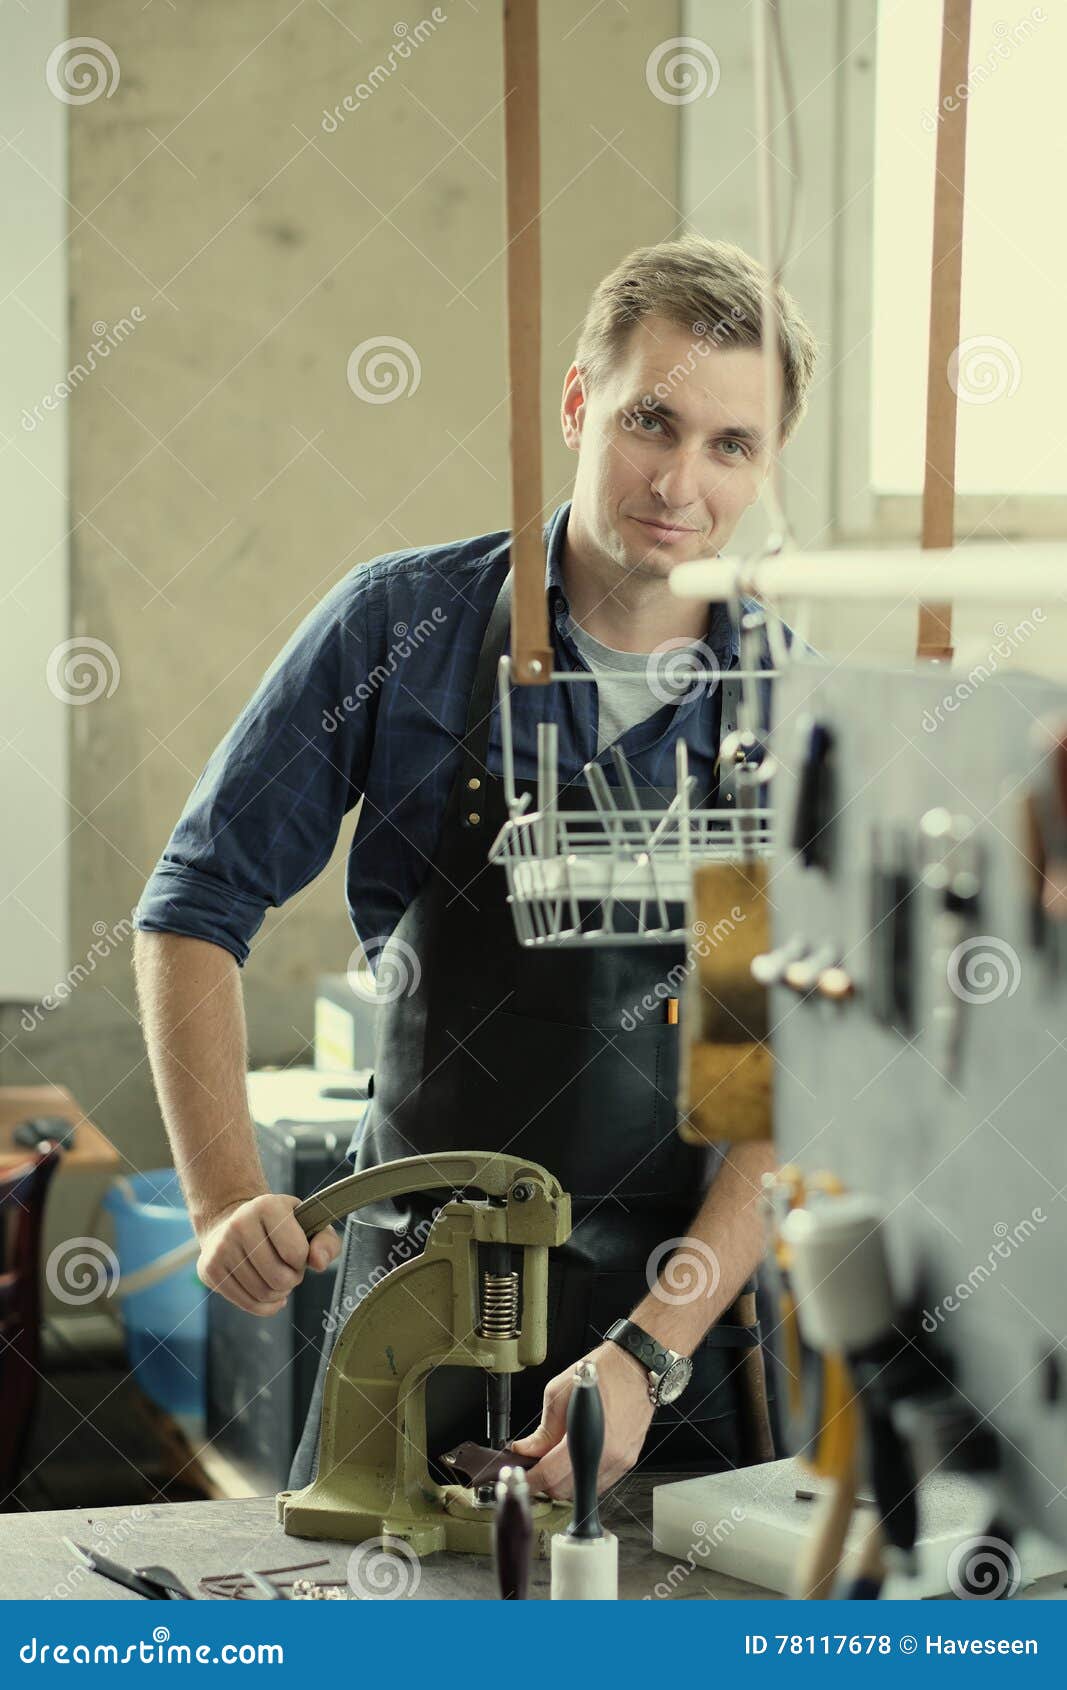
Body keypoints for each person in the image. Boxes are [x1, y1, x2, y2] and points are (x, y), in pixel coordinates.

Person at [133, 233, 818, 1501]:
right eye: (648, 421)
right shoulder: (403, 633)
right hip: (417, 1302)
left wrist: (646, 1354)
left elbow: (769, 1083)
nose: (678, 480)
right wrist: (224, 1192)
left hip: (679, 1328)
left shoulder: (784, 706)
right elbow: (196, 902)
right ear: (577, 404)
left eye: (731, 445)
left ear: (766, 464)